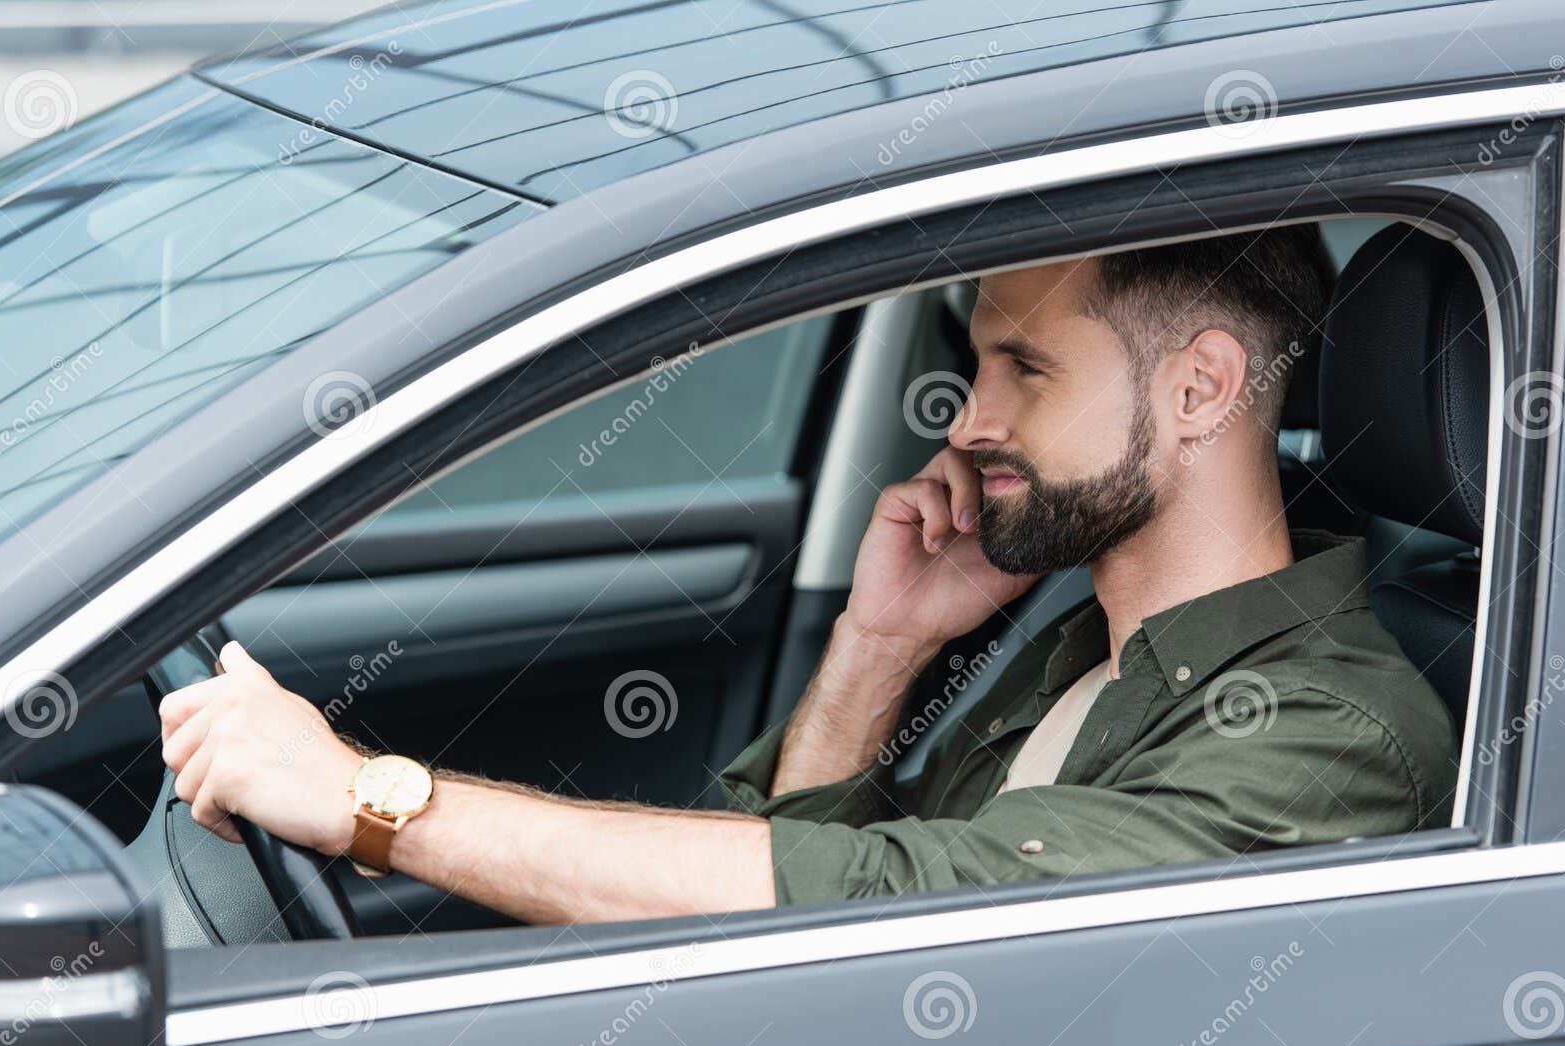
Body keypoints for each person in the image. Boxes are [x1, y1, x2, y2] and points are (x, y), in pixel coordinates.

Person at [160, 225, 1457, 924]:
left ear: (1200, 386)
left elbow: (898, 909)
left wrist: (368, 799)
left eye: (1028, 369)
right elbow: (784, 934)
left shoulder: (1324, 729)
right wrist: (880, 647)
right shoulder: (1083, 641)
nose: (967, 420)